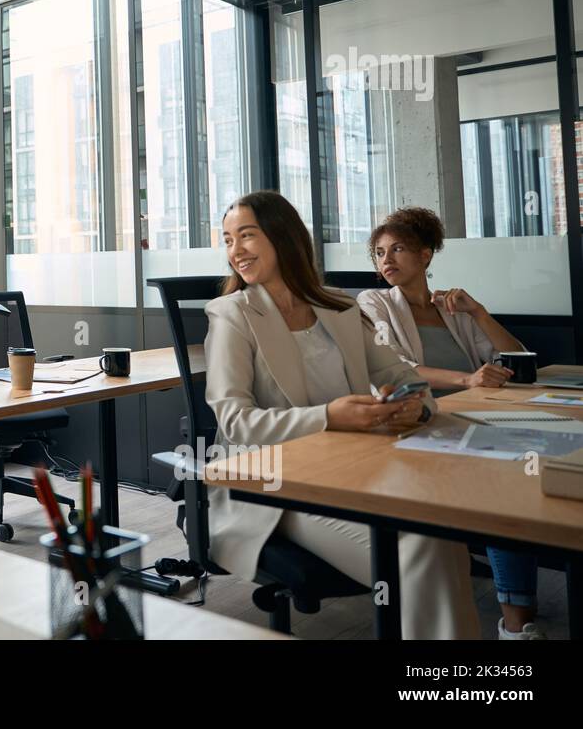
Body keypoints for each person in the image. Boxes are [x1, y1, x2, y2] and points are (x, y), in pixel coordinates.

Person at [203, 190, 480, 640]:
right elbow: (237, 423)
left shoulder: (341, 308)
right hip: (278, 485)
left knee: (442, 534)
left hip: (355, 471)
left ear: (284, 238)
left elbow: (403, 376)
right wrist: (329, 416)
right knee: (419, 548)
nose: (235, 250)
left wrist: (414, 405)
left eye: (247, 236)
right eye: (228, 239)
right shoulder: (232, 315)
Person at [359, 206, 542, 640]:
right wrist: (466, 377)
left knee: (536, 468)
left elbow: (516, 357)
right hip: (420, 423)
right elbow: (394, 367)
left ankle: (520, 603)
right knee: (506, 489)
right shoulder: (375, 302)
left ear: (426, 255)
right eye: (379, 252)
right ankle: (517, 626)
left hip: (474, 417)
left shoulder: (452, 307)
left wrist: (478, 312)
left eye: (398, 249)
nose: (386, 260)